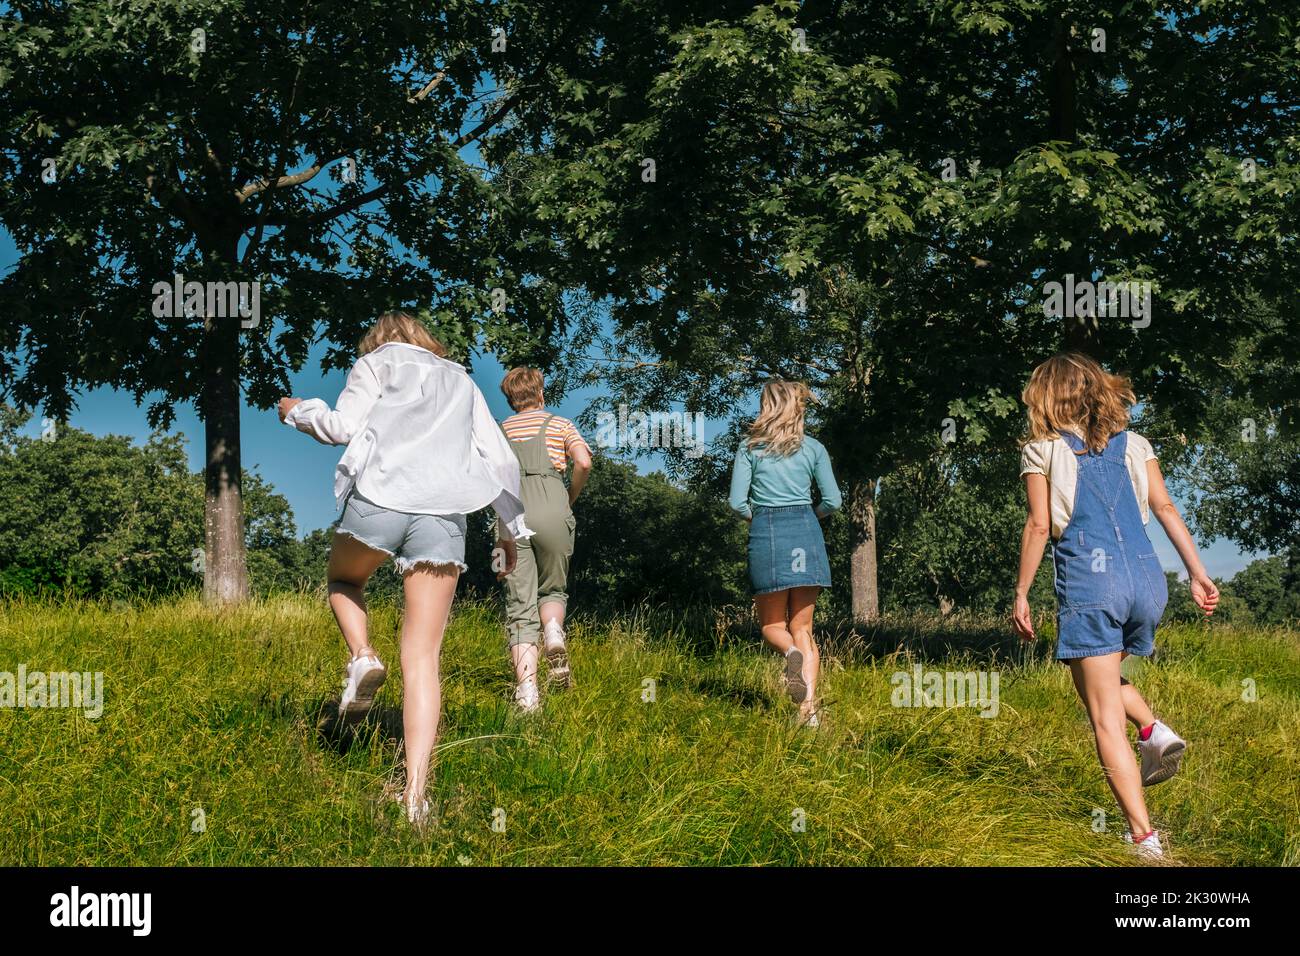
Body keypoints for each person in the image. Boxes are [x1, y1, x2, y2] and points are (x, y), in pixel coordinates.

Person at [278, 311, 531, 825]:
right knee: (423, 656)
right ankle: (416, 796)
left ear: (379, 340)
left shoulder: (374, 363)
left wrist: (295, 410)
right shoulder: (460, 379)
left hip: (380, 499)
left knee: (344, 579)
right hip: (444, 514)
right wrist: (510, 531)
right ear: (426, 340)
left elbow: (339, 428)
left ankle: (363, 656)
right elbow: (499, 458)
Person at [1012, 352, 1220, 860]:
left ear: (1045, 396)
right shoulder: (1137, 444)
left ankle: (1144, 839)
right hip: (1147, 580)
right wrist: (1197, 572)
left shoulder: (1041, 449)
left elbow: (1040, 525)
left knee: (1103, 717)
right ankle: (1152, 729)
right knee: (1091, 681)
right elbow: (1166, 507)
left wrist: (1020, 591)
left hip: (1092, 582)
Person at [728, 381, 841, 727]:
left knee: (773, 625)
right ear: (797, 408)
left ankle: (789, 653)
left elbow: (736, 502)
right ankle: (808, 715)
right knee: (803, 627)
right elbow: (833, 501)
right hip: (806, 532)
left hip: (768, 535)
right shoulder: (814, 449)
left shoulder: (749, 448)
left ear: (766, 408)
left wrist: (761, 518)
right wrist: (808, 516)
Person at [498, 367, 592, 712]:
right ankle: (553, 629)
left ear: (510, 399)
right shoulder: (560, 424)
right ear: (541, 394)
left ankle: (528, 694)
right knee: (553, 589)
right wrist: (569, 498)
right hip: (554, 507)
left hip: (511, 516)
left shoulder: (500, 431)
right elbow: (583, 461)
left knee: (518, 605)